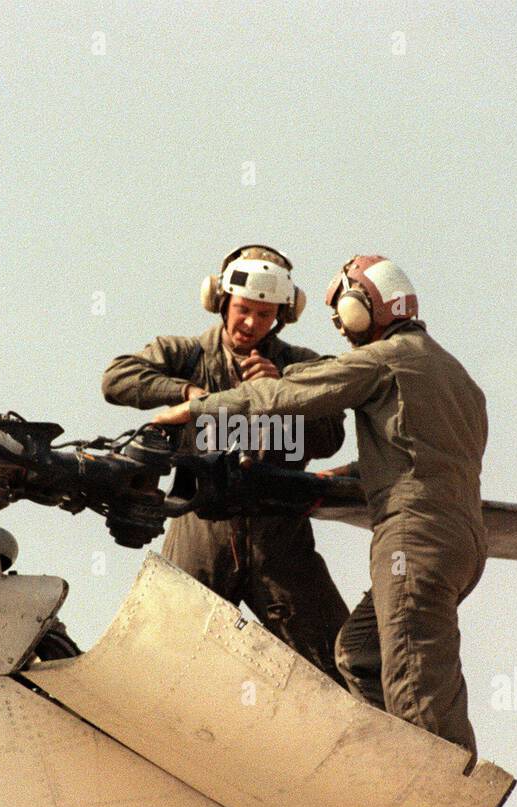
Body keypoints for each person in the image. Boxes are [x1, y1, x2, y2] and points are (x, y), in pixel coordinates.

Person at [151, 254, 488, 765]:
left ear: (360, 310)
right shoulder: (456, 376)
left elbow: (289, 392)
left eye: (342, 316)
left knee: (415, 685)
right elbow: (422, 455)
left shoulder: (384, 359)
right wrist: (346, 477)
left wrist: (194, 408)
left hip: (411, 543)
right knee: (358, 652)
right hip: (462, 543)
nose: (340, 329)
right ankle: (385, 774)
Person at [102, 245, 349, 684]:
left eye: (265, 314)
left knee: (339, 664)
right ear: (221, 301)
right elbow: (117, 378)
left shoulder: (303, 367)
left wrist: (283, 395)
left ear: (282, 316)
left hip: (280, 537)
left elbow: (331, 437)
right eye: (243, 310)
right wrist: (187, 396)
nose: (251, 324)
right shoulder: (186, 355)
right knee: (160, 666)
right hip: (199, 528)